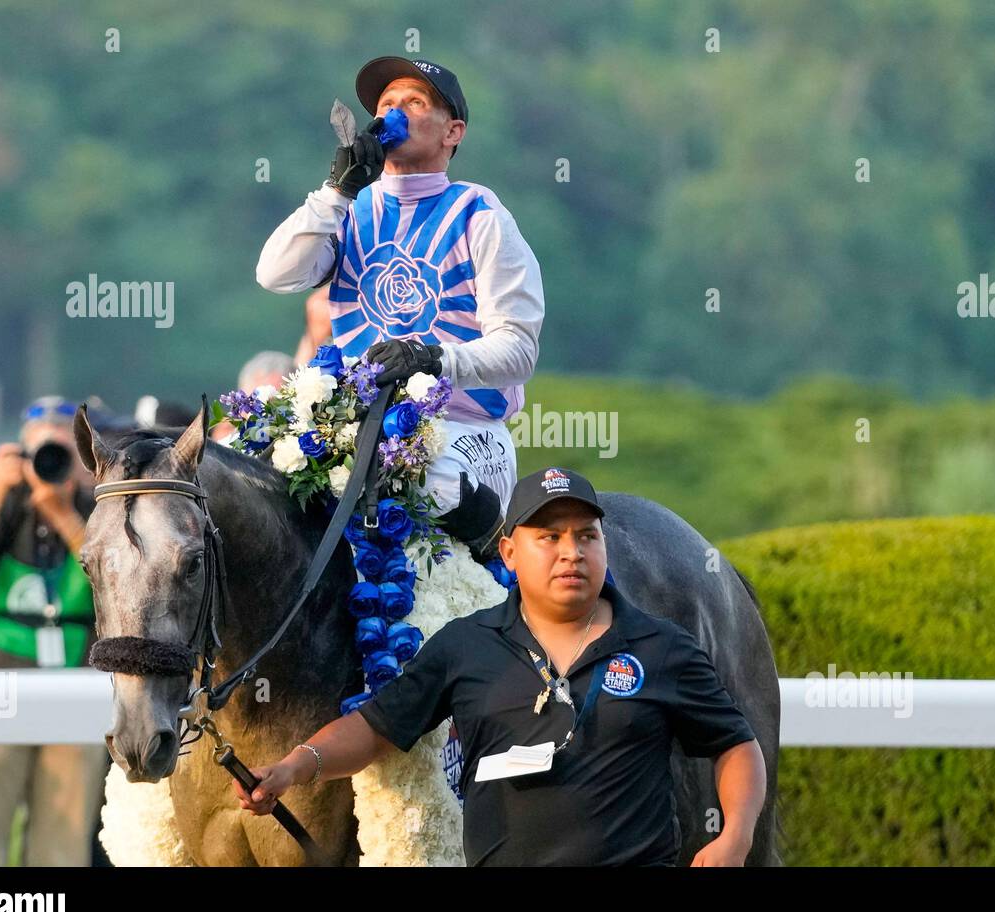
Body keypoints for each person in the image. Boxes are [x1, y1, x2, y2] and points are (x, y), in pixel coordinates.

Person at [234, 467, 768, 866]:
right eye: (550, 537)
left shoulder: (661, 646)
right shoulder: (466, 646)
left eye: (587, 536)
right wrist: (290, 769)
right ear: (510, 553)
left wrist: (735, 836)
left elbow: (735, 745)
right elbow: (375, 729)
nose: (572, 552)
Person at [255, 55, 545, 563]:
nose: (395, 113)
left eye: (414, 102)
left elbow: (519, 350)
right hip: (347, 429)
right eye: (386, 104)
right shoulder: (350, 211)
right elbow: (275, 274)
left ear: (453, 131)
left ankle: (505, 597)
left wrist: (433, 360)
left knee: (411, 475)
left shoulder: (480, 214)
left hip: (459, 429)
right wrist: (337, 191)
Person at [0, 395, 109, 866]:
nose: (50, 463)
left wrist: (64, 514)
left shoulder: (97, 508)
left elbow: (109, 581)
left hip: (76, 687)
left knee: (63, 845)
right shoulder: (2, 502)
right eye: (41, 451)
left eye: (64, 450)